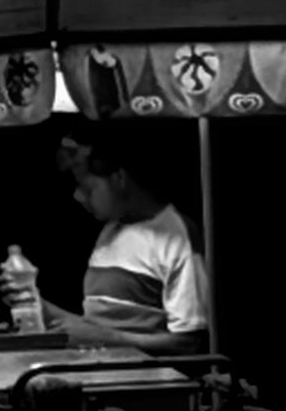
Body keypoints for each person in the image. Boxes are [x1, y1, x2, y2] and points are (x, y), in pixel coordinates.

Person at [27, 124, 213, 352]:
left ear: (119, 178)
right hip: (100, 371)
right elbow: (94, 328)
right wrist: (34, 302)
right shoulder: (111, 231)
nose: (77, 196)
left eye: (87, 187)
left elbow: (189, 343)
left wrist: (103, 338)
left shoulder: (175, 236)